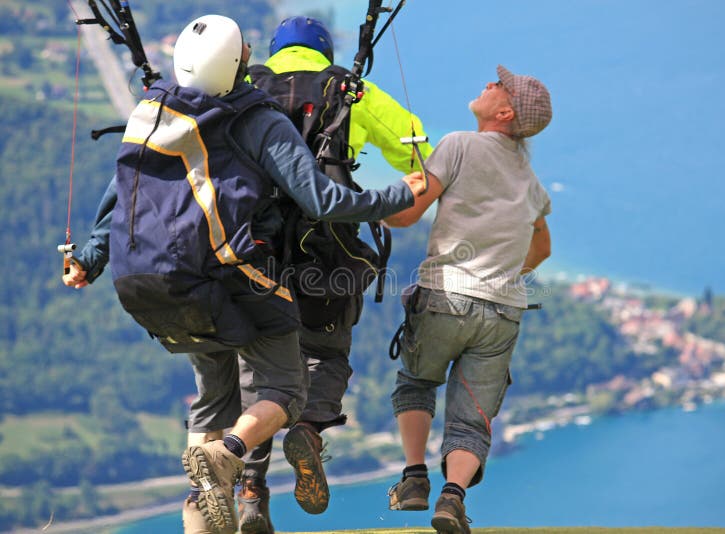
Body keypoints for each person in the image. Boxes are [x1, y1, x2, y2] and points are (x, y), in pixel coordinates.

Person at [62, 14, 425, 534]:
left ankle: (211, 509)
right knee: (285, 380)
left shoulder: (154, 110)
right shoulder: (257, 119)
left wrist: (91, 257)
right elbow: (324, 199)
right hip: (234, 273)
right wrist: (400, 194)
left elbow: (123, 190)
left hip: (152, 283)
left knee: (214, 396)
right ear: (238, 61)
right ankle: (234, 454)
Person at [235, 15, 433, 533]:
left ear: (274, 50)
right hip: (328, 253)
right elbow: (419, 151)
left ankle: (252, 492)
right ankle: (309, 428)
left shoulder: (244, 89)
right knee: (327, 353)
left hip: (254, 253)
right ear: (324, 52)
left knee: (255, 373)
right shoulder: (351, 90)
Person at [381, 65, 553, 533]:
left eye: (498, 86)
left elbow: (406, 215)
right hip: (502, 312)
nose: (489, 83)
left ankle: (414, 478)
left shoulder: (458, 144)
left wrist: (367, 203)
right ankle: (451, 499)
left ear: (503, 111)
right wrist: (500, 274)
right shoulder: (533, 184)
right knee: (470, 421)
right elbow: (542, 249)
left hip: (445, 298)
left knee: (416, 383)